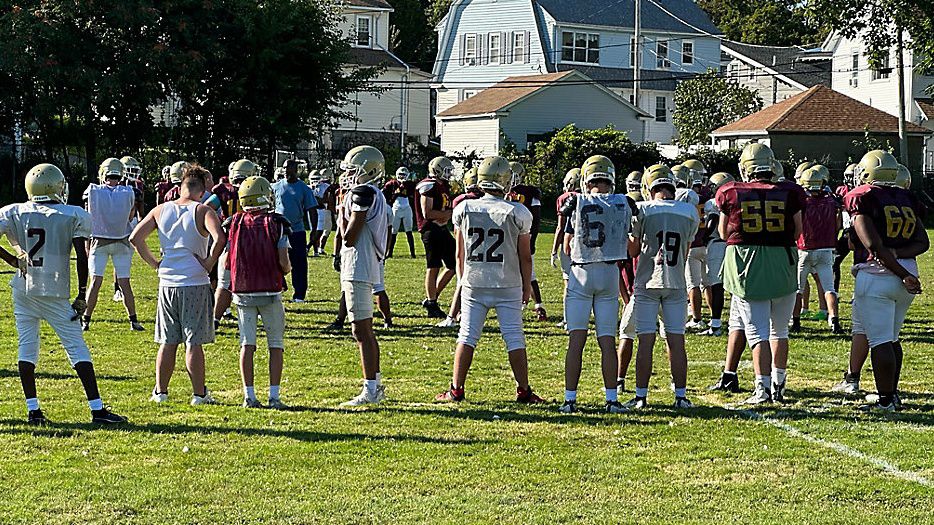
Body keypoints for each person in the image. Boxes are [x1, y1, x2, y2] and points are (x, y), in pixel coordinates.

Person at [0, 163, 127, 424]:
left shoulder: (15, 211)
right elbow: (82, 255)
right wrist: (82, 294)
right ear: (57, 186)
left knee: (27, 348)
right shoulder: (72, 214)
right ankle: (97, 409)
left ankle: (33, 410)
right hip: (54, 290)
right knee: (76, 347)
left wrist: (12, 260)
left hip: (24, 287)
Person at [435, 156, 545, 404]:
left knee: (467, 335)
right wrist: (527, 287)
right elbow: (525, 257)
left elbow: (459, 253)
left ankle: (456, 389)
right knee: (514, 336)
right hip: (508, 282)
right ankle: (523, 390)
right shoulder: (518, 211)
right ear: (506, 181)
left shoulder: (464, 207)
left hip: (475, 280)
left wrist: (462, 281)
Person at [716, 144, 805, 404]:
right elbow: (797, 232)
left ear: (746, 168)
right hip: (783, 264)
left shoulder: (730, 192)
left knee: (757, 334)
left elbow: (724, 234)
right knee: (780, 331)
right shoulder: (791, 192)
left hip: (748, 266)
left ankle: (762, 389)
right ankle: (779, 385)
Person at [130, 164, 226, 406]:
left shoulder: (161, 209)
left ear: (181, 186)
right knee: (194, 342)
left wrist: (155, 264)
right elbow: (220, 238)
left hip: (167, 283)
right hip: (195, 281)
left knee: (168, 340)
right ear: (202, 189)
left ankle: (160, 392)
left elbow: (135, 238)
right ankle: (199, 394)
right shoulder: (204, 211)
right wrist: (208, 262)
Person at [844, 151, 928, 411]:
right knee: (891, 338)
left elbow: (873, 246)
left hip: (879, 276)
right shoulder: (905, 198)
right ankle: (891, 394)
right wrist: (901, 259)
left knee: (881, 340)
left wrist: (898, 269)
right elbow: (922, 242)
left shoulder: (863, 197)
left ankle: (885, 399)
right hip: (903, 275)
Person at [558, 155, 634, 414]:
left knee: (576, 341)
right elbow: (630, 244)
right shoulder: (623, 203)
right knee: (607, 342)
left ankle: (570, 400)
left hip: (581, 274)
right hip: (609, 275)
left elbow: (567, 247)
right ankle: (611, 399)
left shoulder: (576, 202)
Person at [624, 164, 699, 409]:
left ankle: (641, 396)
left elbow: (633, 250)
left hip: (647, 281)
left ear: (649, 186)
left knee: (646, 341)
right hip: (676, 282)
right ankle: (680, 395)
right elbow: (685, 251)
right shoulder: (688, 211)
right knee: (676, 341)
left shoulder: (643, 210)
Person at [225, 176, 292, 409]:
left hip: (243, 290)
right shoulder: (277, 222)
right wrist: (287, 269)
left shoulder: (233, 222)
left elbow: (227, 259)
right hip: (269, 290)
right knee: (275, 343)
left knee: (247, 344)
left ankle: (249, 395)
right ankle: (274, 396)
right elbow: (283, 262)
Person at [335, 146, 390, 406]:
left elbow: (350, 236)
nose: (348, 175)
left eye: (353, 170)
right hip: (365, 263)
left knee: (361, 330)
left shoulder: (364, 193)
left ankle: (370, 388)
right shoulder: (371, 192)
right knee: (364, 329)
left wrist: (340, 216)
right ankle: (374, 384)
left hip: (359, 264)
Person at [81, 158, 144, 332]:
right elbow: (131, 217)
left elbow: (87, 214)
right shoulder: (130, 191)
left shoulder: (92, 190)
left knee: (95, 282)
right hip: (122, 241)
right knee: (124, 283)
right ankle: (133, 321)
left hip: (98, 241)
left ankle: (86, 320)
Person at [791, 167, 843, 334]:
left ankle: (796, 321)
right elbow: (838, 225)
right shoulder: (831, 201)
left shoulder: (801, 201)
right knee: (829, 288)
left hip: (804, 249)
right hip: (826, 249)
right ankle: (834, 321)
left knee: (798, 289)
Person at [436, 167, 483, 328]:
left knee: (462, 282)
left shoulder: (461, 201)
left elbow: (458, 230)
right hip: (488, 248)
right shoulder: (494, 200)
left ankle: (452, 316)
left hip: (468, 245)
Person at [213, 159, 257, 329]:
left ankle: (215, 319)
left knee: (224, 284)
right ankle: (248, 317)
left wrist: (218, 228)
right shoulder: (256, 190)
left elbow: (206, 208)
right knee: (250, 283)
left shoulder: (224, 192)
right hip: (252, 242)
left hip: (230, 243)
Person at [415, 156, 456, 318]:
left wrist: (446, 215)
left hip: (442, 229)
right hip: (431, 230)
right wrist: (448, 214)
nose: (449, 174)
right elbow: (428, 213)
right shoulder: (428, 186)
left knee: (453, 265)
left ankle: (431, 298)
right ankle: (432, 303)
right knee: (433, 266)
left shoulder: (442, 185)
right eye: (446, 170)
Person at [272, 159, 317, 303]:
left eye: (289, 168)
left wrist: (314, 230)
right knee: (275, 261)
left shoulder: (304, 188)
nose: (286, 171)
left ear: (296, 170)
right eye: (284, 168)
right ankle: (276, 289)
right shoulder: (275, 187)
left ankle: (299, 295)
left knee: (299, 264)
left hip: (297, 231)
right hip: (278, 231)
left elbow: (312, 210)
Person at [507, 161, 547, 322]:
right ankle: (522, 303)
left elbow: (536, 218)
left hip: (522, 234)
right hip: (509, 234)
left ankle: (538, 305)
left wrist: (532, 238)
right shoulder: (503, 190)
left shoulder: (531, 192)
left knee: (528, 271)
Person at [680, 159, 712, 332]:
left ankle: (697, 317)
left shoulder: (683, 196)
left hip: (691, 244)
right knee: (707, 283)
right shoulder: (708, 195)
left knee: (692, 284)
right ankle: (714, 318)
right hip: (707, 243)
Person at [699, 172, 732, 336]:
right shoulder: (736, 200)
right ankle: (736, 322)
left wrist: (705, 236)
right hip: (733, 245)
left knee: (717, 286)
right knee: (734, 286)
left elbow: (712, 220)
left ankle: (716, 324)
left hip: (717, 244)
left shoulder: (713, 202)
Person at [550, 168, 581, 331]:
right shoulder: (589, 197)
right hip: (588, 246)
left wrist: (554, 250)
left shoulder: (564, 198)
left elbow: (561, 227)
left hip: (570, 244)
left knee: (568, 284)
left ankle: (569, 319)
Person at [383, 167, 417, 258]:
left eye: (404, 175)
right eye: (400, 175)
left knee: (409, 231)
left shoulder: (410, 184)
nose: (402, 177)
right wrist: (396, 192)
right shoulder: (392, 183)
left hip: (406, 207)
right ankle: (389, 253)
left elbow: (414, 192)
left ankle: (413, 254)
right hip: (396, 207)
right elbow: (385, 193)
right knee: (394, 231)